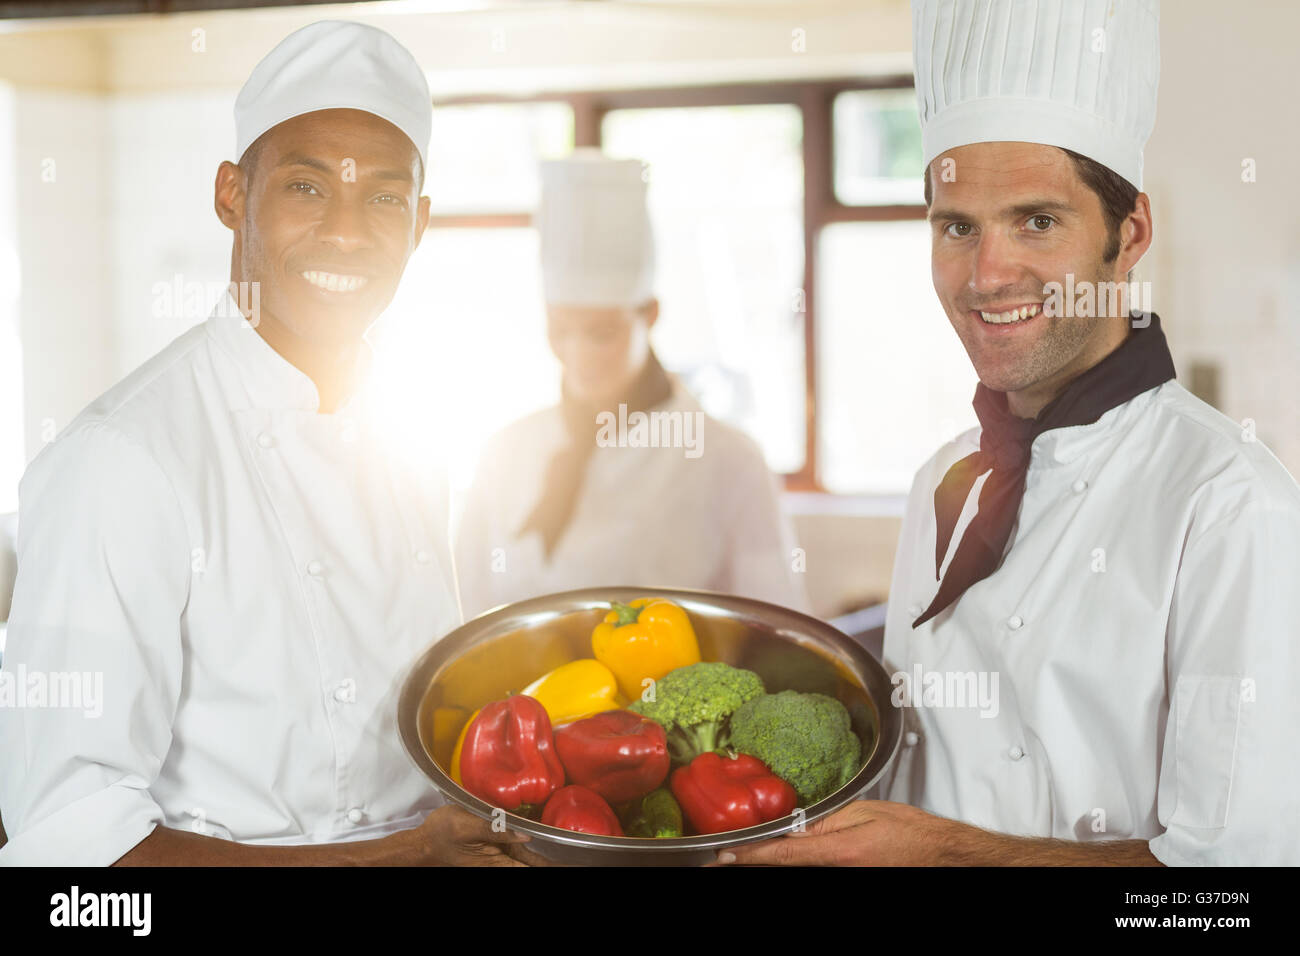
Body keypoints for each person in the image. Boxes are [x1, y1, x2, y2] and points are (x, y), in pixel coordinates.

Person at [722, 0, 1300, 866]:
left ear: (1129, 232)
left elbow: (1226, 901)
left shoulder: (1227, 503)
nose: (989, 275)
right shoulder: (944, 482)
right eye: (958, 226)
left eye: (1037, 220)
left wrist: (940, 854)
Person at [0, 21, 539, 866]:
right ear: (230, 195)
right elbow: (72, 861)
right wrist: (397, 862)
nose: (349, 233)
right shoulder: (120, 462)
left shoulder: (414, 447)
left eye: (385, 198)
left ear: (422, 223)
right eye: (307, 188)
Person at [455, 151, 808, 618]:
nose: (579, 352)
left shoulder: (728, 460)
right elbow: (461, 606)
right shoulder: (506, 450)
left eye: (602, 332)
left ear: (651, 314)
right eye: (560, 328)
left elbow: (774, 625)